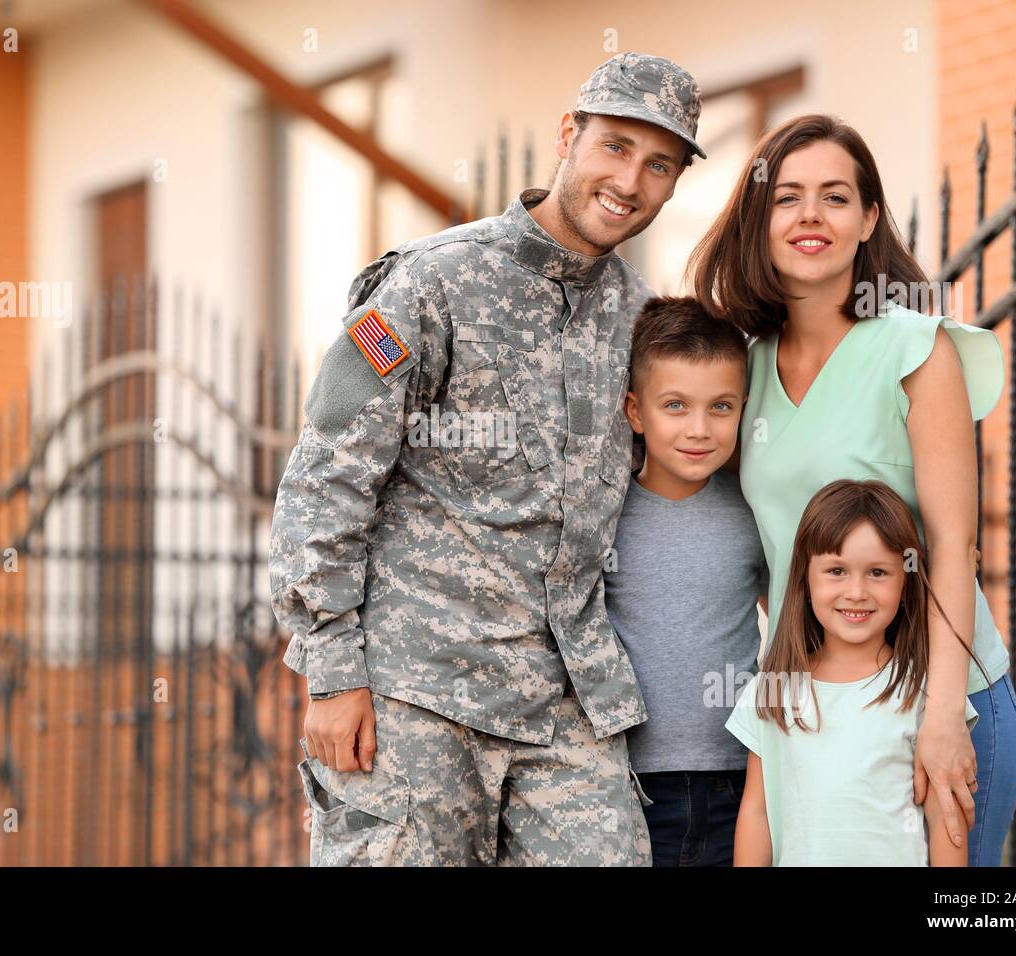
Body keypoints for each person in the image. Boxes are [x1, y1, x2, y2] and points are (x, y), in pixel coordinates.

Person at [270, 52, 707, 866]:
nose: (631, 181)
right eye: (615, 146)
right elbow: (326, 476)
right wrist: (331, 670)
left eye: (660, 165)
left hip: (567, 708)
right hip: (416, 697)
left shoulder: (642, 322)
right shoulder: (431, 284)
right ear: (568, 135)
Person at [689, 113, 1016, 866]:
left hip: (943, 695)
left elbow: (952, 544)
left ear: (869, 218)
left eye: (836, 197)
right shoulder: (744, 369)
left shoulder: (916, 347)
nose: (811, 216)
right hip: (816, 703)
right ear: (759, 217)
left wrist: (941, 716)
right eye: (788, 197)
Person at [726, 479, 982, 866]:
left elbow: (945, 818)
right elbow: (757, 812)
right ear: (806, 580)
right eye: (836, 571)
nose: (857, 591)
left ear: (905, 581)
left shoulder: (926, 692)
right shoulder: (772, 691)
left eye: (878, 573)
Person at [603, 295, 769, 866]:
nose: (699, 429)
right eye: (675, 405)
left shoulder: (754, 508)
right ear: (635, 411)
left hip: (739, 782)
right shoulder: (602, 513)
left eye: (720, 407)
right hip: (627, 783)